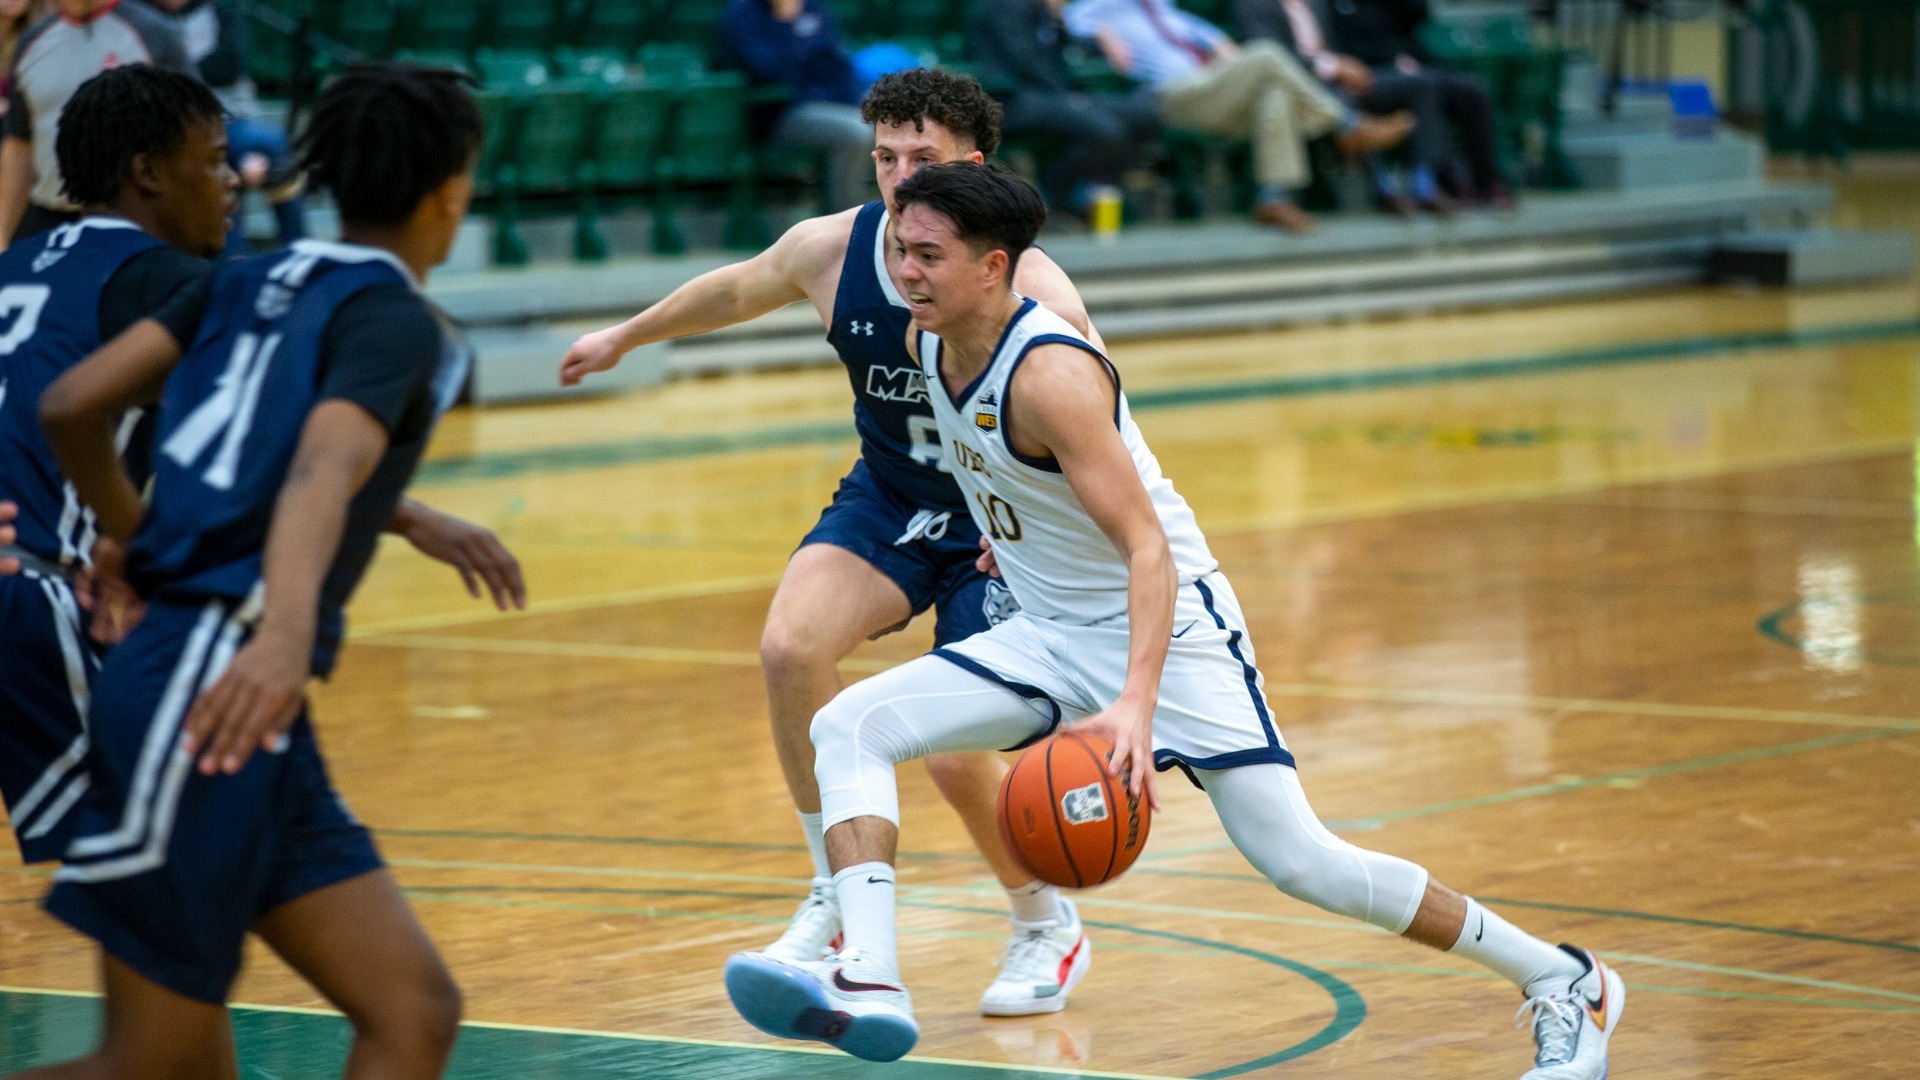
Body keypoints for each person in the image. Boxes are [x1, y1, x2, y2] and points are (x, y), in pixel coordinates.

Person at [722, 161, 1626, 1080]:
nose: (903, 274)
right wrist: (1009, 528)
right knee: (848, 724)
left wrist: (1132, 708)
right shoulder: (930, 344)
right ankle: (869, 975)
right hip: (1051, 632)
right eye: (900, 252)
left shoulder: (1052, 374)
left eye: (926, 256)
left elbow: (1148, 551)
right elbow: (990, 463)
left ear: (994, 267)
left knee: (1301, 862)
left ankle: (1562, 979)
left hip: (1171, 635)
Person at [560, 68, 1105, 1019]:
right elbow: (735, 289)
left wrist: (1050, 523)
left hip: (1000, 525)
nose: (898, 177)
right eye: (885, 157)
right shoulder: (834, 248)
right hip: (891, 497)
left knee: (947, 753)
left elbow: (1100, 427)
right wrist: (626, 336)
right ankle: (837, 897)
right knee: (789, 648)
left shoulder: (1030, 282)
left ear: (973, 166)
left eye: (922, 159)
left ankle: (1042, 921)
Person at [12, 62, 498, 1080]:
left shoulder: (241, 280)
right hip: (212, 675)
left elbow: (69, 409)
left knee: (413, 1010)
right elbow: (321, 464)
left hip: (238, 697)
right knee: (150, 1062)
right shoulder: (401, 322)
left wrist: (130, 534)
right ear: (450, 192)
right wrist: (279, 634)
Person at [1064, 0, 1410, 231]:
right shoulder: (1098, 7)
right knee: (1266, 54)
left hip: (1214, 89)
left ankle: (1273, 199)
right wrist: (1101, 33)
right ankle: (1347, 125)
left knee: (1274, 93)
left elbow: (1227, 53)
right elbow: (1068, 19)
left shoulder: (1169, 10)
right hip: (1168, 95)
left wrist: (1237, 75)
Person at [1237, 0, 1506, 211]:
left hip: (1352, 73)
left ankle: (1427, 186)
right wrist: (1340, 67)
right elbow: (1267, 55)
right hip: (1304, 83)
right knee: (1348, 102)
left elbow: (1414, 15)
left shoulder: (1316, 3)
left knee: (1428, 86)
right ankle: (1383, 189)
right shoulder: (1257, 4)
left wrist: (1350, 68)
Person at [0, 0, 196, 246]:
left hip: (134, 220)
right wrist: (2, 232)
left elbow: (194, 127)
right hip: (49, 217)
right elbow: (19, 146)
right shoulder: (31, 42)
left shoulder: (152, 31)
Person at [964, 0, 1157, 218]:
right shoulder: (1004, 6)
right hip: (1015, 99)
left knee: (1143, 115)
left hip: (1054, 95)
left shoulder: (1042, 9)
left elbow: (1064, 47)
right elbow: (1026, 62)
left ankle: (1103, 190)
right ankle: (1056, 197)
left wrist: (1099, 40)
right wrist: (1069, 99)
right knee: (1106, 130)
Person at [148, 0, 308, 251]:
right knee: (213, 167)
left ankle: (301, 254)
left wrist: (179, 67)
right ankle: (232, 266)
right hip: (177, 127)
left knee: (271, 147)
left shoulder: (223, 8)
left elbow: (228, 67)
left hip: (232, 121)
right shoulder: (139, 17)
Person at [720, 0, 874, 212]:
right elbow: (770, 71)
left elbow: (837, 63)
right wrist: (785, 23)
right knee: (856, 133)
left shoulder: (813, 7)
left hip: (828, 105)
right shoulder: (742, 14)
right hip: (778, 115)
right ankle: (847, 223)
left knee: (887, 123)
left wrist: (856, 100)